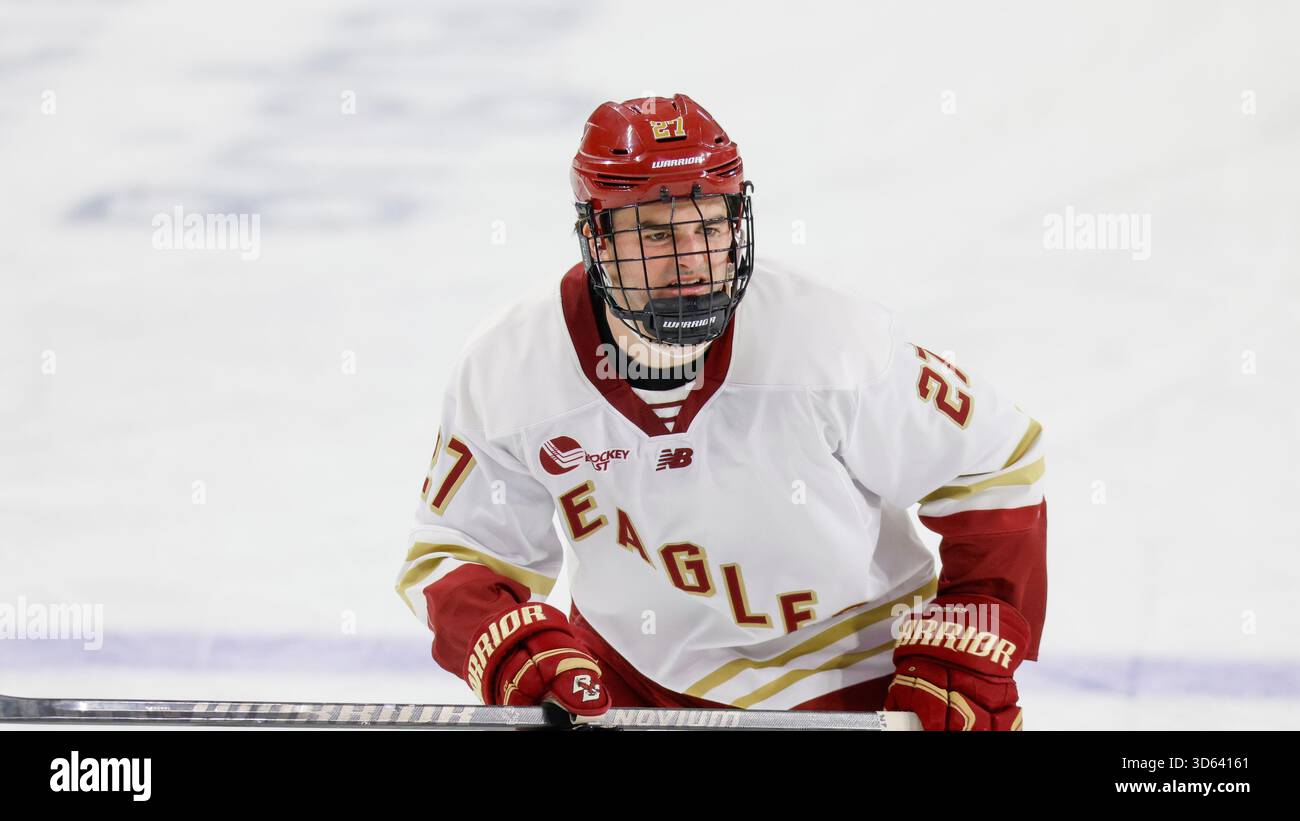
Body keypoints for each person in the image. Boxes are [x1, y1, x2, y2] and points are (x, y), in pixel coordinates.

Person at [395, 94, 1047, 730]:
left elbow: (996, 463)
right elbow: (458, 548)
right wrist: (515, 651)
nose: (691, 261)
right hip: (627, 690)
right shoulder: (512, 365)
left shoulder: (828, 340)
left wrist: (970, 639)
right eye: (654, 233)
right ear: (596, 238)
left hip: (856, 677)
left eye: (708, 227)